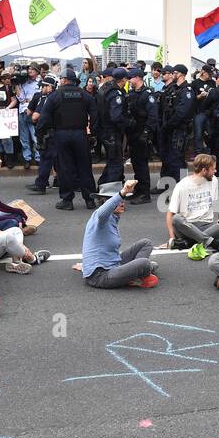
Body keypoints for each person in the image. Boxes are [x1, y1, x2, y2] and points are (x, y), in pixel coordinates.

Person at [79, 179, 159, 289]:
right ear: (106, 202)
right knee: (145, 263)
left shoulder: (113, 218)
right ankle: (139, 273)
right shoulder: (99, 217)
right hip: (100, 276)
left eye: (123, 199)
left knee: (146, 243)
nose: (122, 202)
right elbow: (102, 212)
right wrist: (123, 192)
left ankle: (136, 272)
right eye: (118, 199)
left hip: (113, 264)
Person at [40, 67, 98, 210]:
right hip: (80, 135)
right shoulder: (85, 95)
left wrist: (40, 135)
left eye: (61, 79)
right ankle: (90, 199)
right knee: (84, 167)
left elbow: (44, 118)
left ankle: (67, 200)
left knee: (64, 168)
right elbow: (95, 115)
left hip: (61, 135)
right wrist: (93, 134)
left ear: (64, 80)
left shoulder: (55, 96)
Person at [165, 154, 219, 253]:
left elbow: (211, 208)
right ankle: (214, 242)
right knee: (176, 218)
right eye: (213, 169)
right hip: (187, 226)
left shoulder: (213, 180)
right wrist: (172, 238)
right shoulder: (182, 186)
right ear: (204, 170)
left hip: (206, 225)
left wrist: (216, 226)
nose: (215, 171)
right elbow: (170, 214)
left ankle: (188, 242)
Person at [124, 67, 156, 203]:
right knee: (136, 164)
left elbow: (153, 116)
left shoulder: (147, 94)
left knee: (142, 165)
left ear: (137, 78)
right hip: (133, 134)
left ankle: (145, 193)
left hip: (142, 133)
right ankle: (139, 190)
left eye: (130, 78)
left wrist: (146, 133)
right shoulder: (132, 93)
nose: (129, 80)